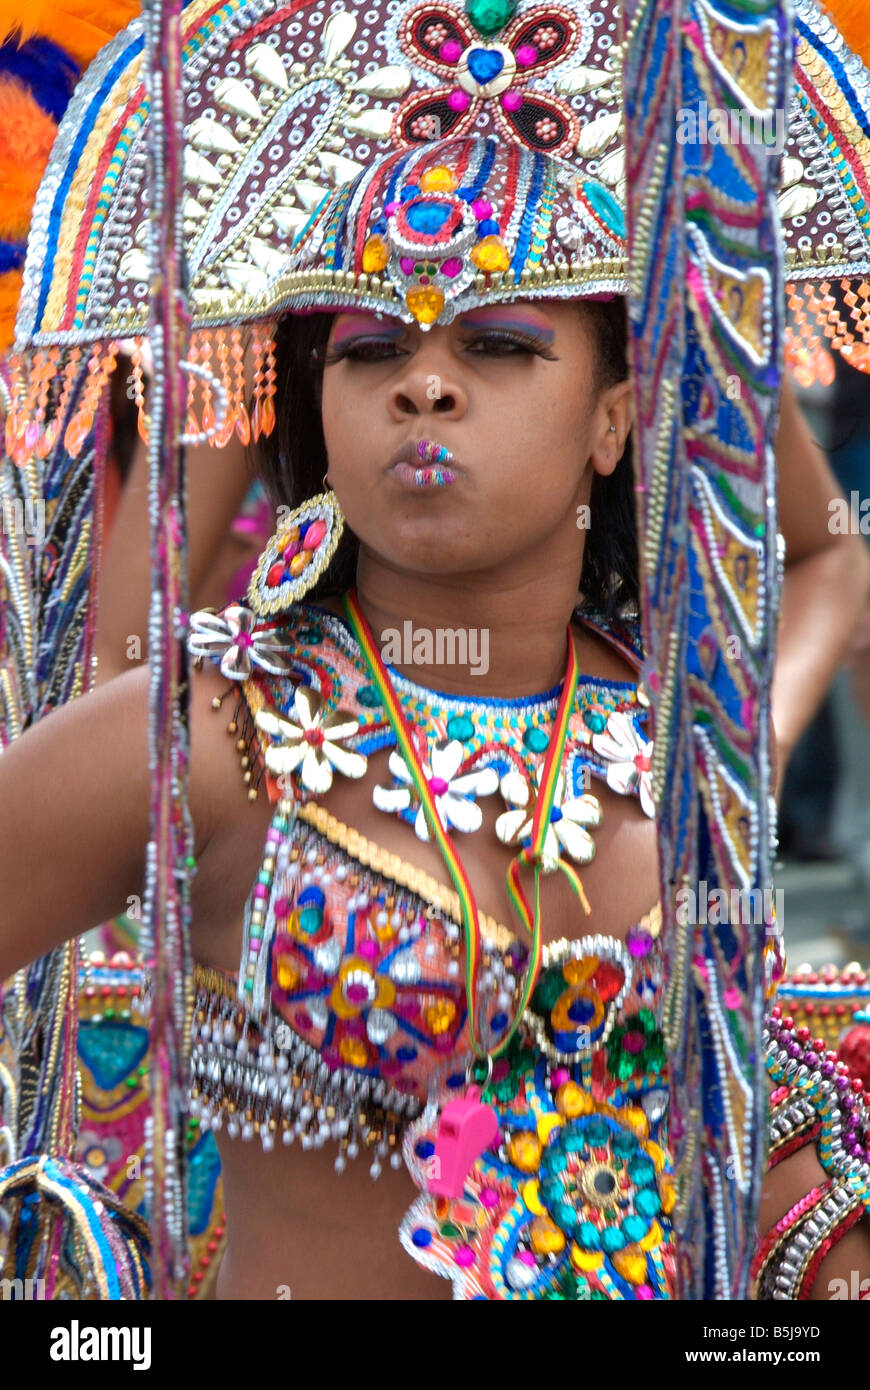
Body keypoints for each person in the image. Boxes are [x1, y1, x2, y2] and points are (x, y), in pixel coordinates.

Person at [3, 0, 870, 1302]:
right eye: (370, 351)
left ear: (614, 419)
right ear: (317, 406)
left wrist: (753, 729)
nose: (424, 386)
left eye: (498, 345)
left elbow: (822, 552)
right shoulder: (208, 739)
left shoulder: (676, 744)